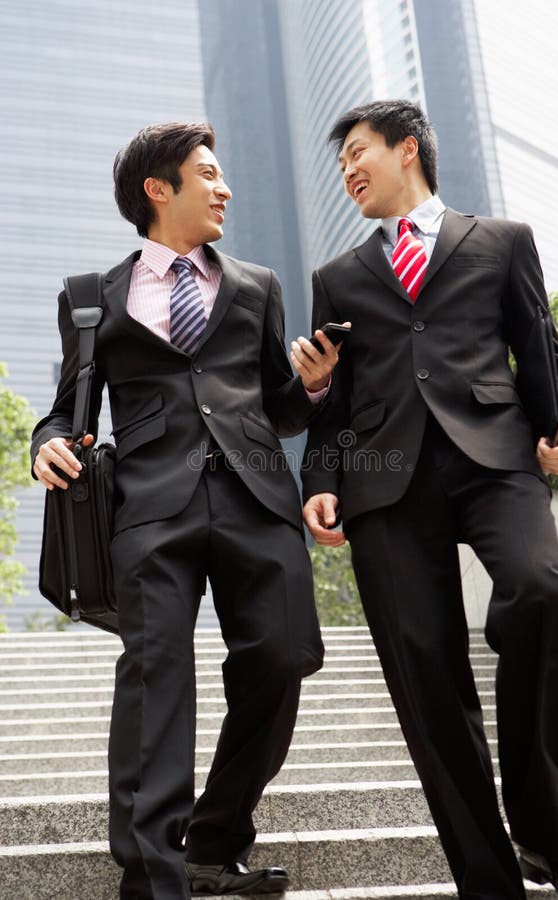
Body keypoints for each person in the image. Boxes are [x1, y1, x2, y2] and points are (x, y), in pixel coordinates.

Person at [31, 122, 341, 900]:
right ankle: (152, 875)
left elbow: (281, 407)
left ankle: (216, 836)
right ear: (157, 190)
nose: (224, 187)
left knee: (282, 657)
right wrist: (48, 444)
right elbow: (69, 407)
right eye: (207, 173)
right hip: (149, 509)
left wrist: (312, 384)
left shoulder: (257, 284)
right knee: (156, 673)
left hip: (256, 497)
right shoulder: (91, 297)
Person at [300, 100, 558, 900]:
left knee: (541, 589)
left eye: (358, 152)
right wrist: (321, 481)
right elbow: (332, 400)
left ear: (408, 150)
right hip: (383, 478)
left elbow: (545, 350)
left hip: (495, 457)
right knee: (426, 672)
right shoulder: (337, 277)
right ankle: (487, 879)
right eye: (339, 163)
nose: (348, 170)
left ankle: (547, 833)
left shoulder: (501, 241)